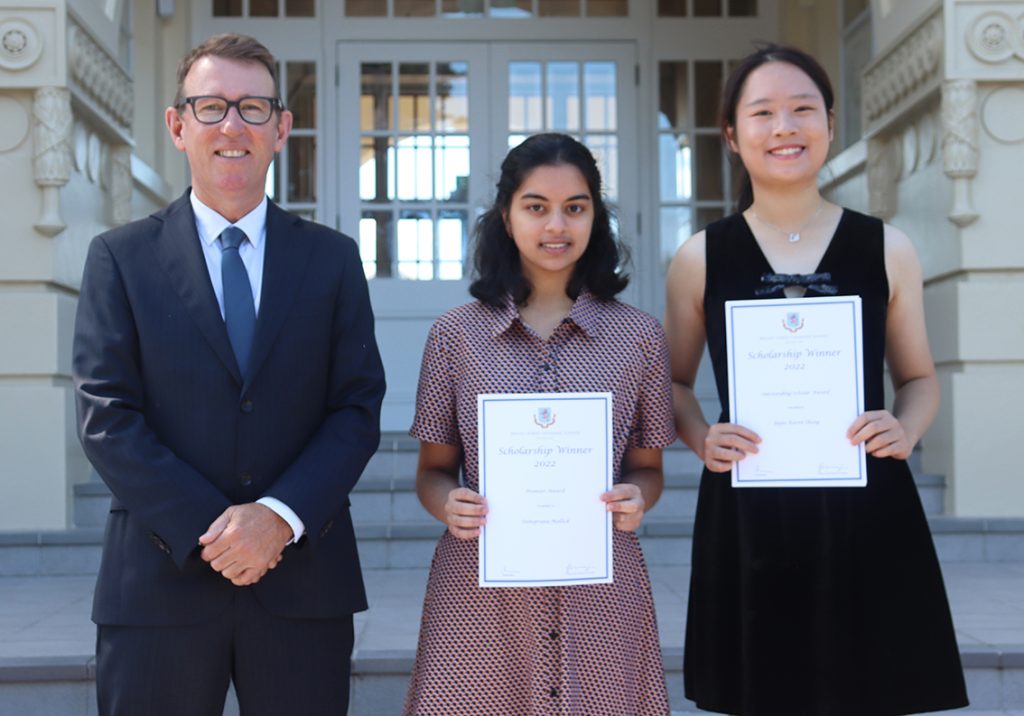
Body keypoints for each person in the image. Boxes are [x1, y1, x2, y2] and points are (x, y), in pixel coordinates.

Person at [72, 33, 385, 715]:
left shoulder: (332, 260)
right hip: (159, 583)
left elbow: (357, 408)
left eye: (253, 107)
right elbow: (106, 416)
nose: (233, 125)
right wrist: (215, 530)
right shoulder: (119, 258)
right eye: (211, 106)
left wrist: (277, 519)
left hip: (302, 584)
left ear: (281, 128)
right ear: (177, 125)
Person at [666, 44, 968, 715]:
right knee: (761, 691)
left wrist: (905, 426)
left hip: (865, 503)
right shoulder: (699, 257)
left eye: (803, 109)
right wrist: (701, 437)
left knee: (870, 688)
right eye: (763, 112)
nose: (784, 127)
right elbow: (674, 385)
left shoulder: (887, 247)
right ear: (732, 135)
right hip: (751, 512)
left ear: (831, 124)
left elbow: (918, 378)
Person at [404, 133, 675, 714]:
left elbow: (648, 469)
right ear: (506, 216)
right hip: (481, 594)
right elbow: (432, 472)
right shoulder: (455, 335)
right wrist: (449, 503)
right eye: (536, 207)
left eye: (575, 207)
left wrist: (637, 496)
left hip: (600, 589)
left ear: (596, 216)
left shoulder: (640, 336)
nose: (557, 225)